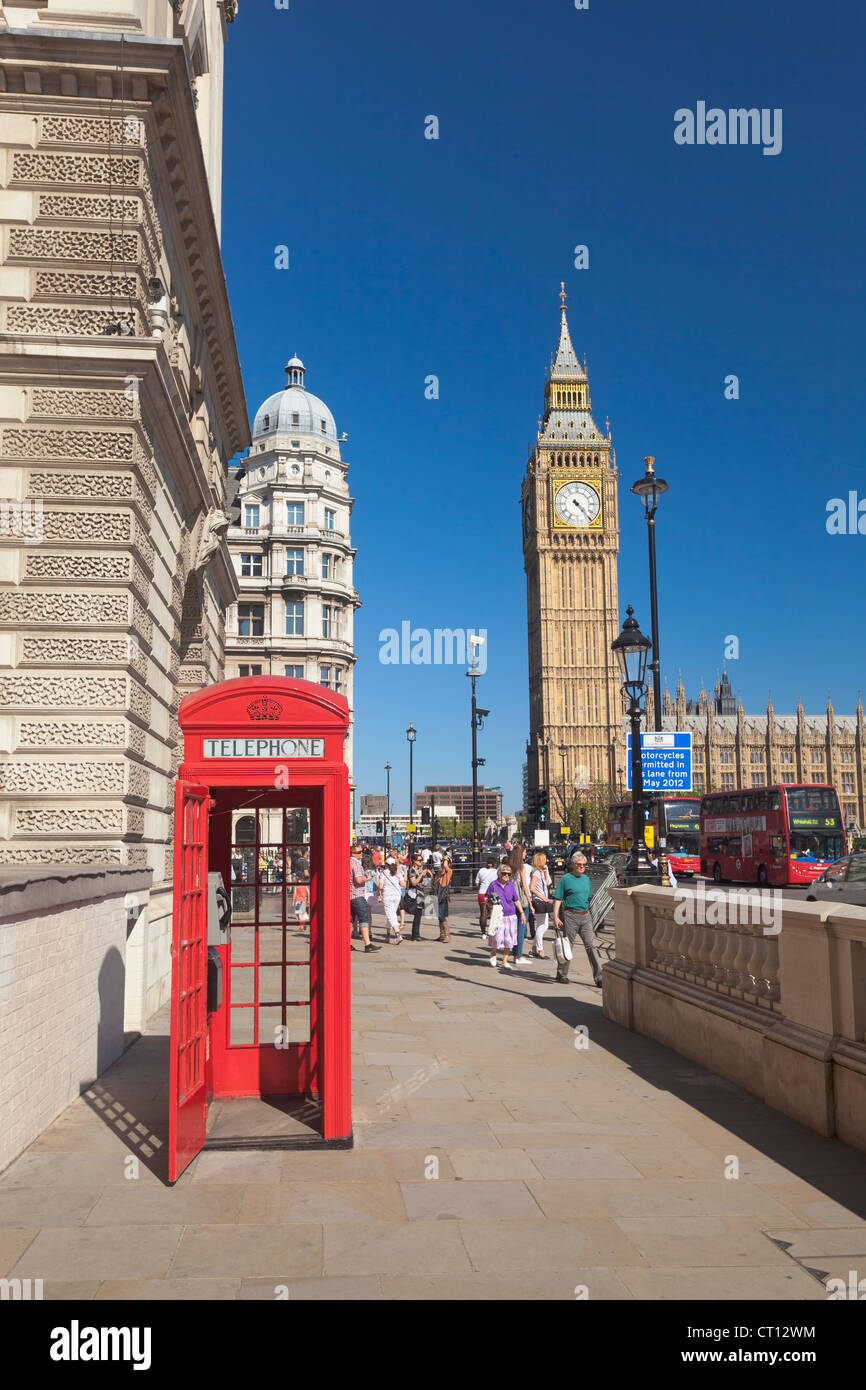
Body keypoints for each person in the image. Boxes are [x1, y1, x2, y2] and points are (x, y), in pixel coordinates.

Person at [551, 851, 602, 986]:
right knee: (568, 946)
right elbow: (558, 899)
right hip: (570, 915)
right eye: (579, 864)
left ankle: (599, 977)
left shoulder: (586, 879)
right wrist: (555, 917)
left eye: (584, 865)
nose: (582, 867)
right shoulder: (565, 879)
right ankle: (562, 974)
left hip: (585, 915)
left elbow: (588, 898)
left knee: (591, 945)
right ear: (573, 865)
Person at [483, 859, 525, 969]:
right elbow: (486, 897)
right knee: (497, 938)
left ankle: (505, 960)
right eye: (504, 873)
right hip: (498, 916)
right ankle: (493, 953)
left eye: (508, 874)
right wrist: (490, 905)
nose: (506, 875)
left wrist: (522, 913)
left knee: (509, 940)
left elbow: (516, 900)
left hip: (511, 916)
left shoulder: (511, 885)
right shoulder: (493, 885)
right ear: (499, 874)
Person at [350, 845, 381, 953]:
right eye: (359, 852)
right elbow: (358, 880)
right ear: (353, 854)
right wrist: (367, 879)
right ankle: (367, 944)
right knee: (364, 919)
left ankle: (346, 943)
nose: (361, 854)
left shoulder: (348, 862)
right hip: (357, 895)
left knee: (350, 920)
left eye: (361, 852)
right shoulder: (356, 864)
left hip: (349, 895)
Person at [508, 842, 533, 966]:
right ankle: (518, 956)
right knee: (521, 928)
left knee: (513, 928)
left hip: (510, 901)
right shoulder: (521, 867)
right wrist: (530, 902)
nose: (525, 854)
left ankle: (513, 953)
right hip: (521, 901)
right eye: (524, 852)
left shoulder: (509, 866)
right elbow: (524, 887)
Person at [528, 849, 555, 958]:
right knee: (541, 926)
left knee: (545, 925)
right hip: (540, 901)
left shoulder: (540, 872)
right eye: (544, 860)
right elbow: (532, 888)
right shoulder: (535, 873)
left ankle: (534, 947)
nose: (546, 862)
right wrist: (544, 898)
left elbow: (548, 883)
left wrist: (545, 872)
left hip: (543, 900)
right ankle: (539, 949)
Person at [403, 851, 432, 941]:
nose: (421, 862)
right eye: (419, 860)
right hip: (413, 895)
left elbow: (423, 884)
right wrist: (421, 875)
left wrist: (428, 878)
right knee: (416, 913)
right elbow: (414, 882)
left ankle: (416, 934)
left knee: (418, 915)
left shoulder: (419, 870)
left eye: (422, 860)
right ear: (414, 861)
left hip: (420, 895)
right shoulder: (411, 870)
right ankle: (414, 934)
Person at [377, 856, 405, 943]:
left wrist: (377, 880)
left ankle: (397, 934)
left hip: (387, 896)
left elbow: (381, 886)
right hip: (397, 895)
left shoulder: (384, 873)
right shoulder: (398, 873)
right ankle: (388, 935)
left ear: (386, 865)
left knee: (390, 915)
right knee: (391, 914)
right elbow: (403, 885)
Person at [475, 854, 499, 934]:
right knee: (496, 912)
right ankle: (493, 930)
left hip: (482, 893)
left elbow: (477, 883)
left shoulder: (481, 870)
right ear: (495, 864)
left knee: (483, 913)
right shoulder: (496, 872)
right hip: (494, 894)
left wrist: (481, 888)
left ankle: (483, 933)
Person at [433, 852, 453, 942]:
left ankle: (447, 935)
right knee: (439, 916)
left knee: (441, 916)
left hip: (443, 897)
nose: (442, 862)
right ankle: (442, 935)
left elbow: (445, 866)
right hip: (436, 896)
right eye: (441, 861)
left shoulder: (449, 872)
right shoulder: (439, 873)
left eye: (444, 861)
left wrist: (446, 858)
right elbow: (433, 883)